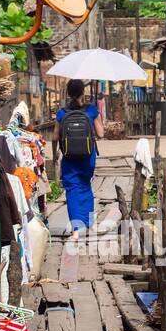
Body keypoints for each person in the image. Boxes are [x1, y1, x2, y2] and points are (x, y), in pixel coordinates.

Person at [52, 78, 105, 239]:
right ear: (83, 92)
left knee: (72, 190)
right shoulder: (91, 110)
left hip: (69, 157)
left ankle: (76, 230)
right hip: (87, 157)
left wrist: (55, 154)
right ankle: (91, 223)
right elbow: (101, 134)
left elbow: (55, 137)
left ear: (68, 93)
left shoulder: (62, 113)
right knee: (85, 186)